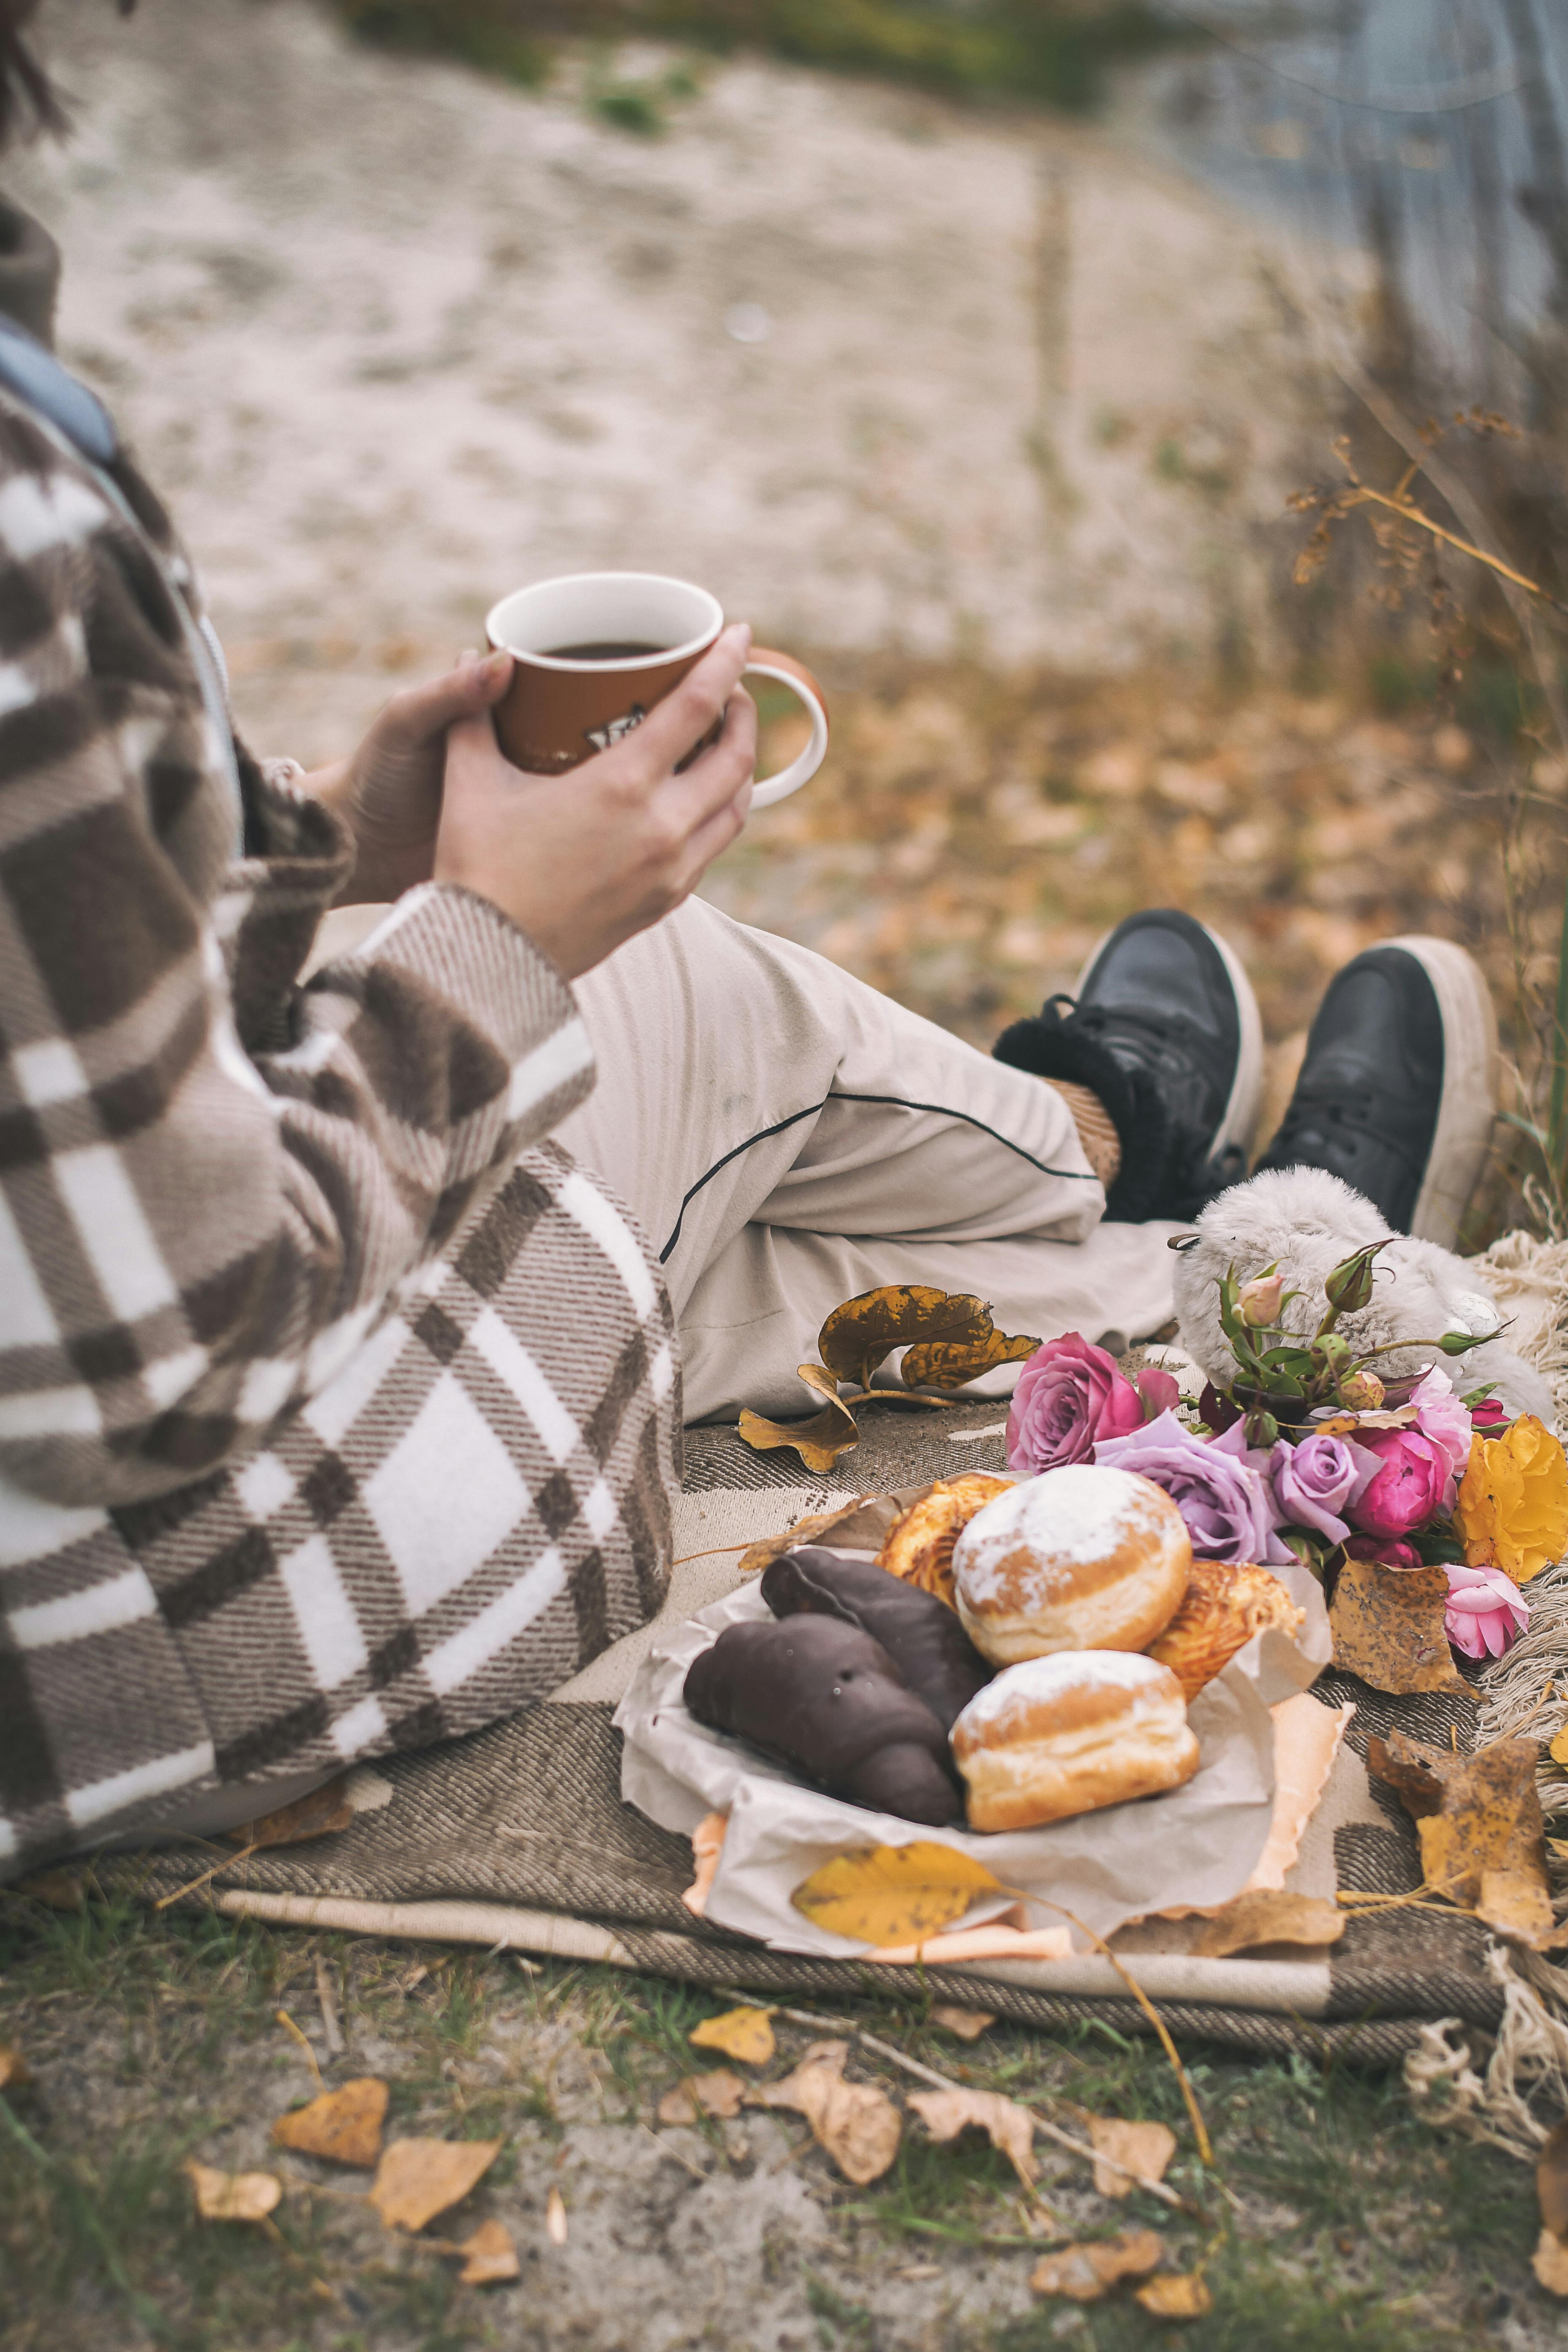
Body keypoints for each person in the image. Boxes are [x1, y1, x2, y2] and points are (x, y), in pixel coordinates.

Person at [0, 1, 1496, 1875]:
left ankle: (1180, 1233)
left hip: (81, 1480)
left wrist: (297, 843)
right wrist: (492, 935)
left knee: (669, 1149)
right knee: (651, 987)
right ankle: (1158, 1180)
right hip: (156, 1602)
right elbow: (164, 1352)